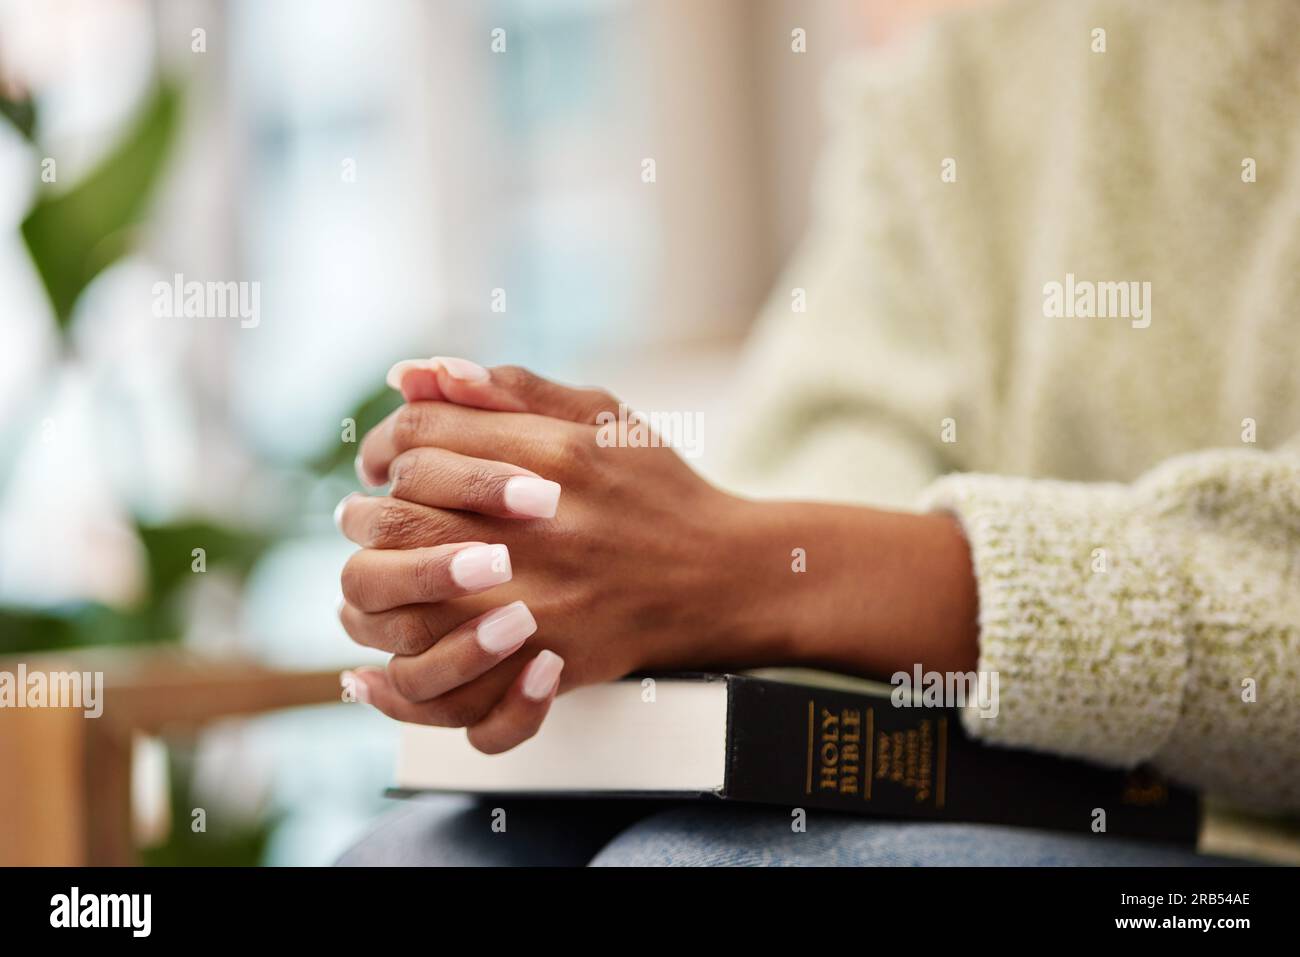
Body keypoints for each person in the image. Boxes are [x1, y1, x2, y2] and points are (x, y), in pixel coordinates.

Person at [334, 0, 1300, 865]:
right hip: (1002, 774)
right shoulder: (957, 80)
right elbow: (832, 440)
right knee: (413, 856)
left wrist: (742, 568)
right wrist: (547, 563)